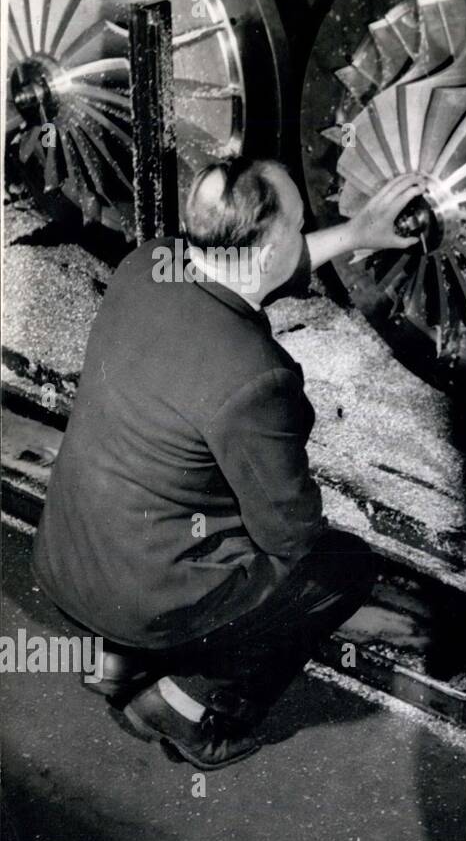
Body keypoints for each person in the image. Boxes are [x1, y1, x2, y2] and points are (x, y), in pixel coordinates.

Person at [33, 158, 426, 770]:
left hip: (68, 563)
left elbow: (256, 266)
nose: (304, 232)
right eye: (300, 225)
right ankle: (185, 705)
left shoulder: (148, 265)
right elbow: (290, 534)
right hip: (144, 598)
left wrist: (356, 234)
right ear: (270, 250)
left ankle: (119, 663)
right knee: (339, 567)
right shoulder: (257, 375)